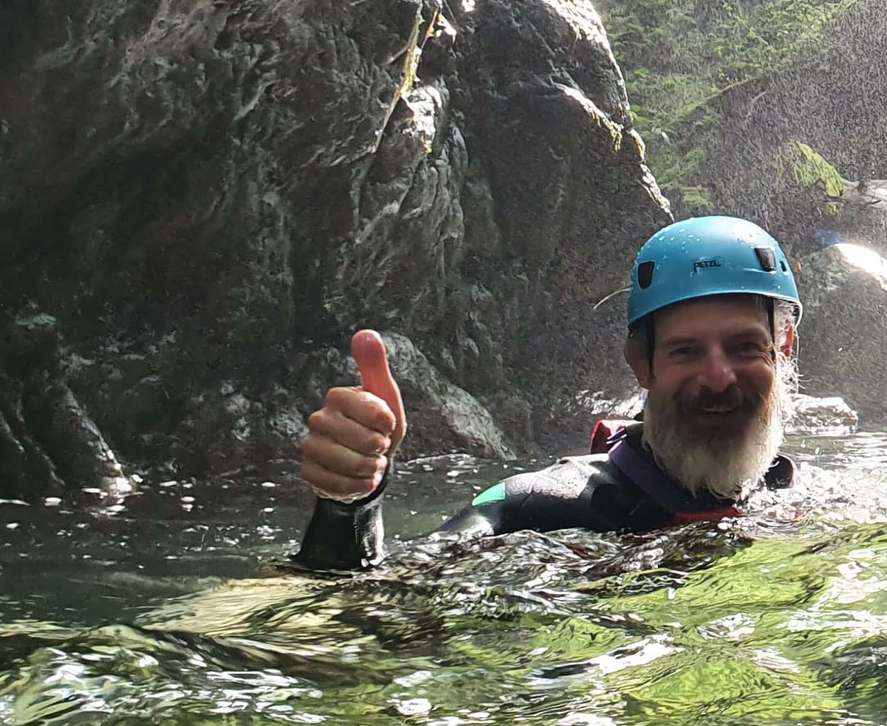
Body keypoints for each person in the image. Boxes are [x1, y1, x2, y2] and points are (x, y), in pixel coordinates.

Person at [295, 216, 806, 570]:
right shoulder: (534, 507)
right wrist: (349, 506)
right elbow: (363, 606)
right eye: (685, 353)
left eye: (744, 347)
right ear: (641, 366)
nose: (718, 378)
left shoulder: (798, 494)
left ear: (783, 350)